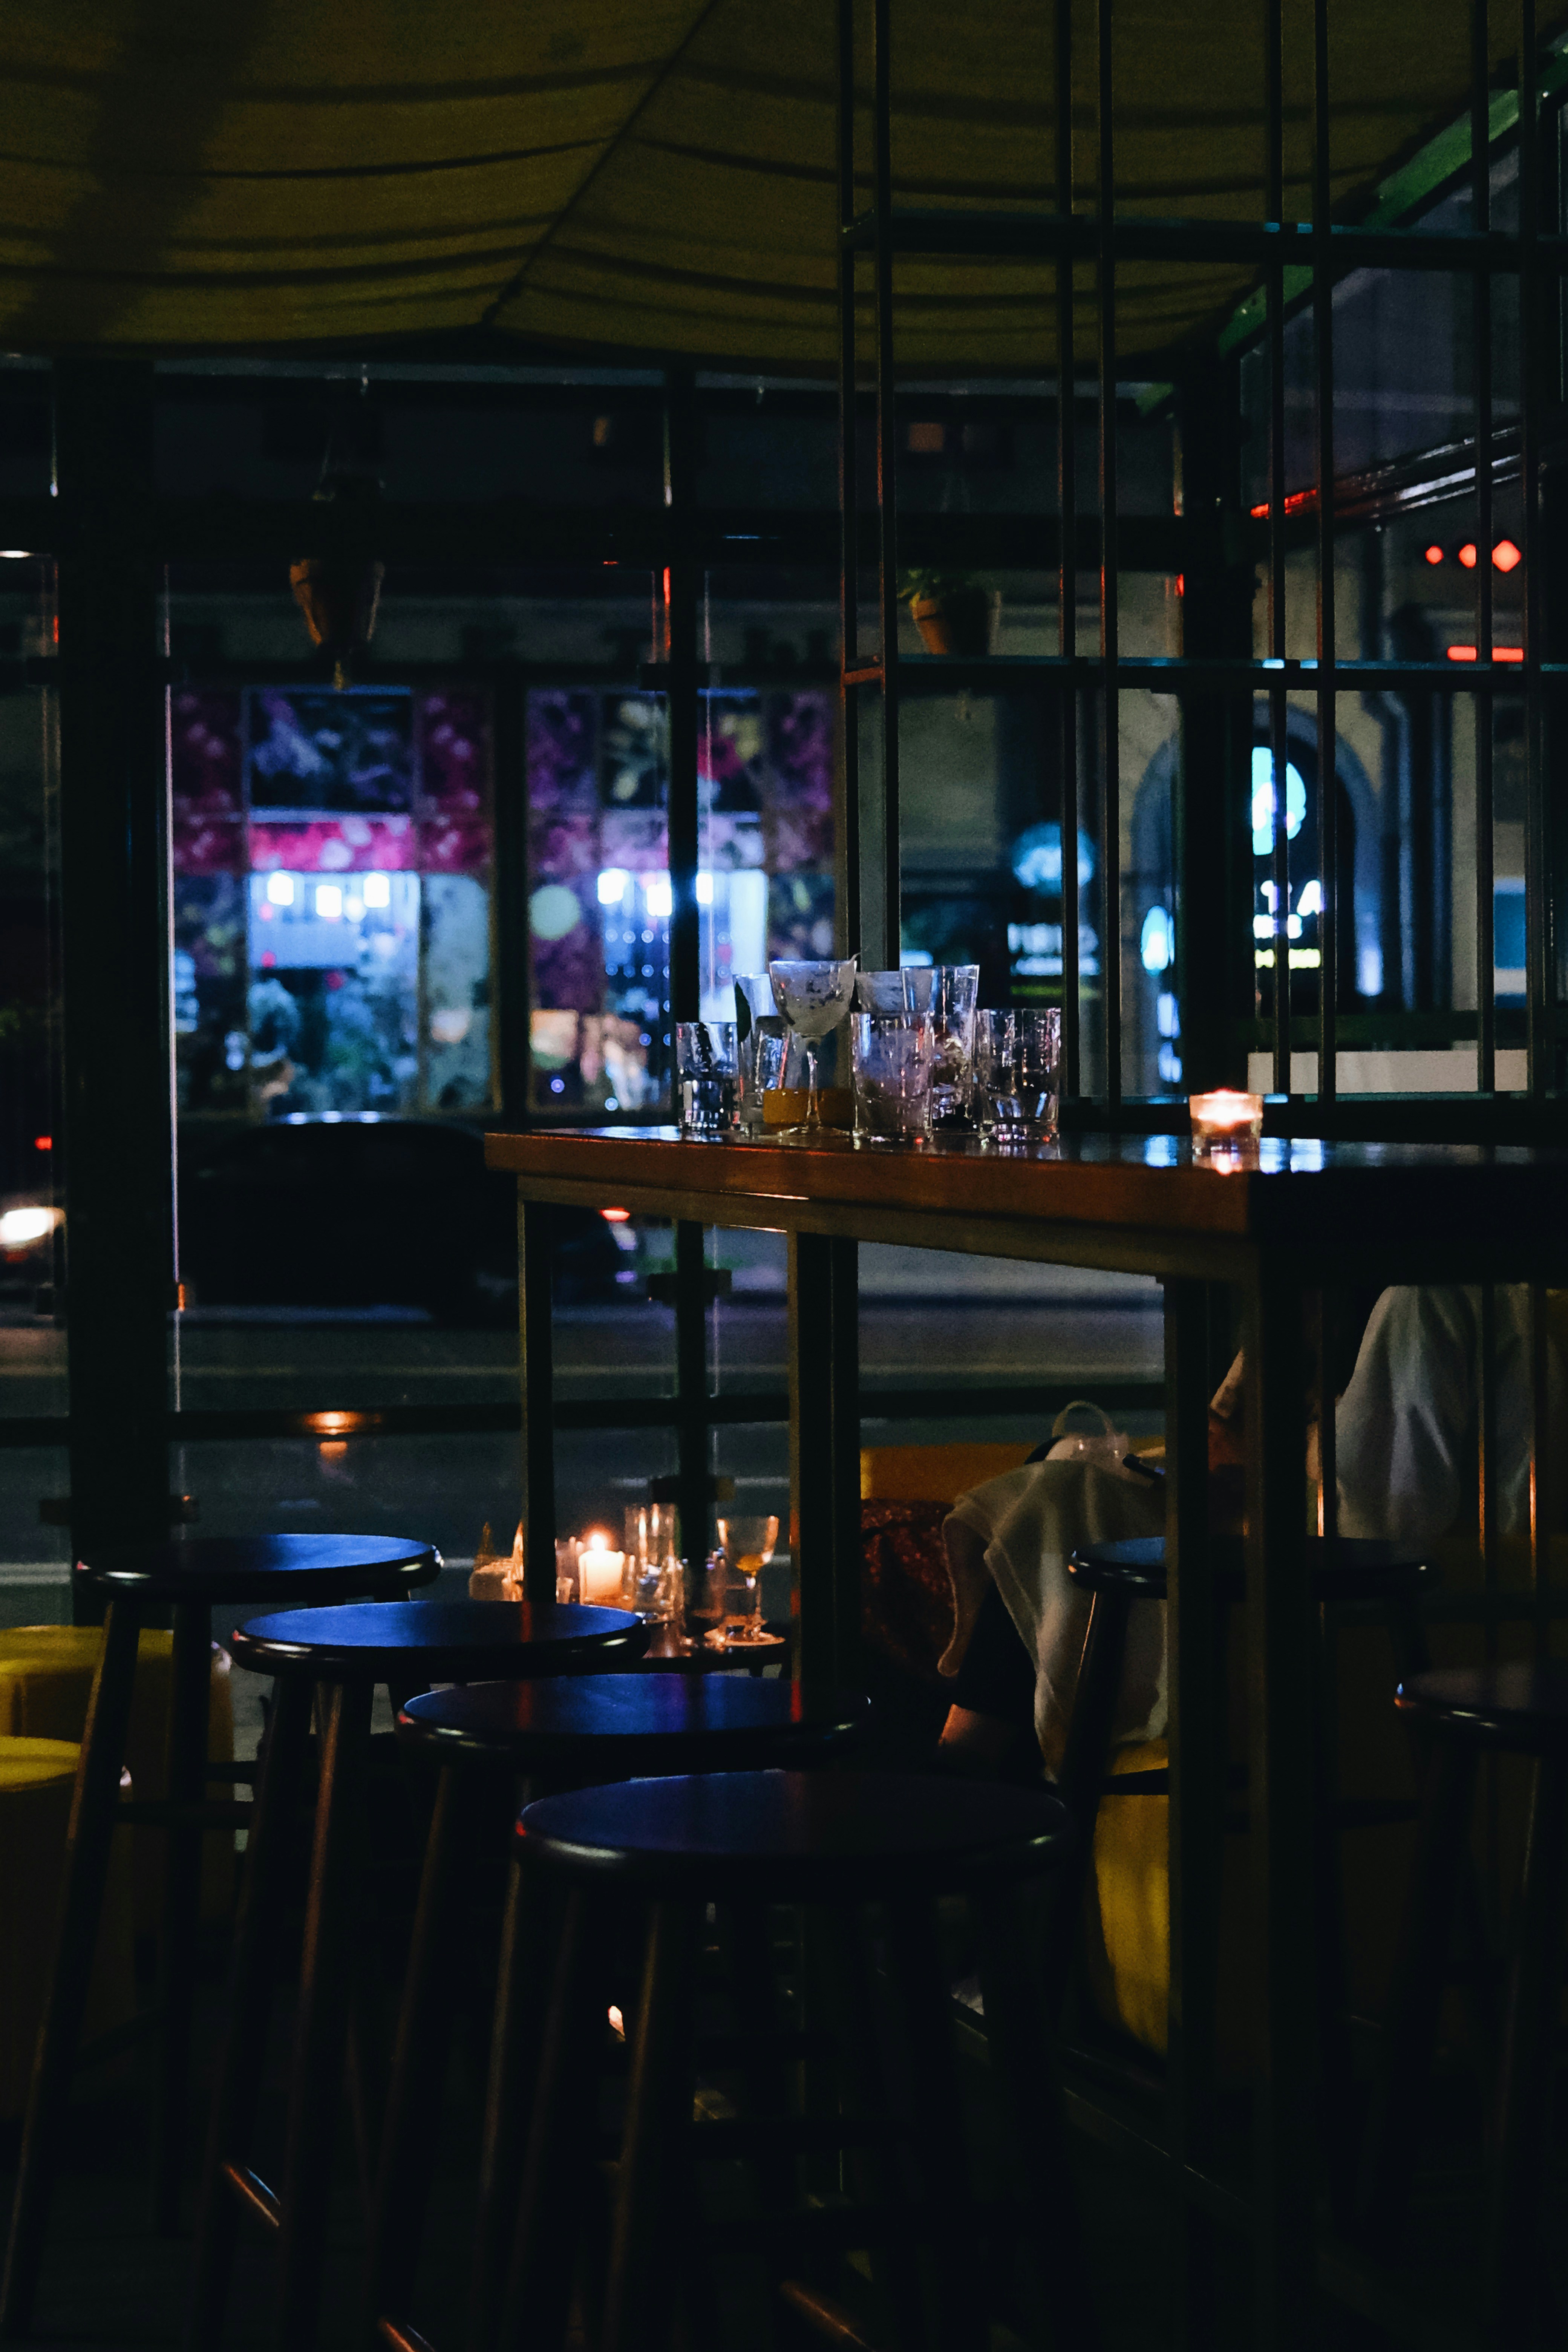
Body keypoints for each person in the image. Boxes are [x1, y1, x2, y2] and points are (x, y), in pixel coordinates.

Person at [938, 1285, 1563, 1776]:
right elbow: (1224, 1442)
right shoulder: (1330, 1302)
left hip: (1355, 1609)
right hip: (1292, 1560)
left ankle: (968, 1772)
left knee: (1059, 1500)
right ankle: (973, 1776)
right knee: (1060, 1474)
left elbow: (1374, 1532)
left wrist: (1245, 1504)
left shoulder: (1428, 1305)